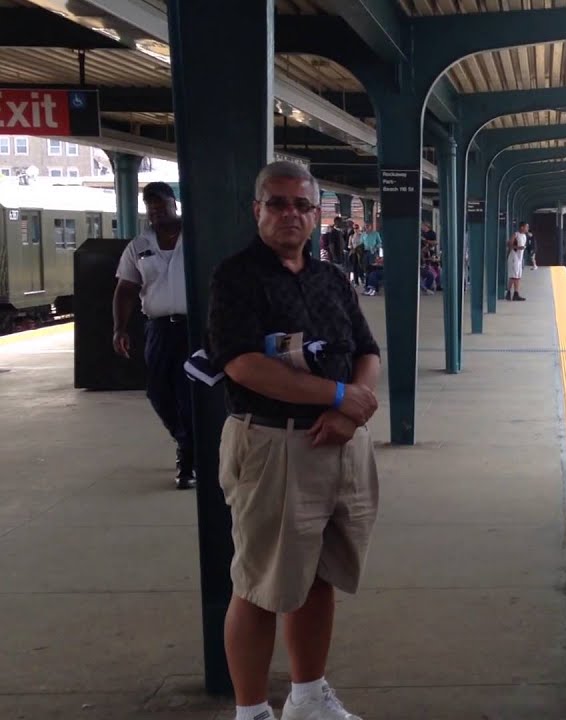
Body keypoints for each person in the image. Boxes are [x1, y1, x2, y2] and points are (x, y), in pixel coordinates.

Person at [207, 161, 381, 720]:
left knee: (320, 576)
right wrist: (335, 398)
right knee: (261, 582)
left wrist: (352, 412)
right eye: (278, 203)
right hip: (273, 445)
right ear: (257, 209)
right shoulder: (236, 277)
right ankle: (252, 710)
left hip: (339, 447)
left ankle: (308, 698)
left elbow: (366, 351)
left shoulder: (330, 279)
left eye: (302, 205)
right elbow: (242, 364)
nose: (291, 214)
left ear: (316, 215)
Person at [112, 181, 196, 490]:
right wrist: (119, 328)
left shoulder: (197, 235)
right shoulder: (139, 245)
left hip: (194, 328)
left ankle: (188, 461)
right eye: (151, 209)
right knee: (159, 393)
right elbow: (126, 289)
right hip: (159, 329)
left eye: (162, 206)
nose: (157, 213)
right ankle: (186, 442)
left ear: (175, 204)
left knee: (188, 396)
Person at [506, 221, 528, 301]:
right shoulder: (516, 234)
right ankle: (516, 293)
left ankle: (509, 293)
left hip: (519, 258)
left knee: (517, 276)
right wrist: (517, 247)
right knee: (514, 276)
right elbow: (509, 244)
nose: (527, 228)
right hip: (513, 257)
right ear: (522, 227)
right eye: (526, 227)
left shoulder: (524, 236)